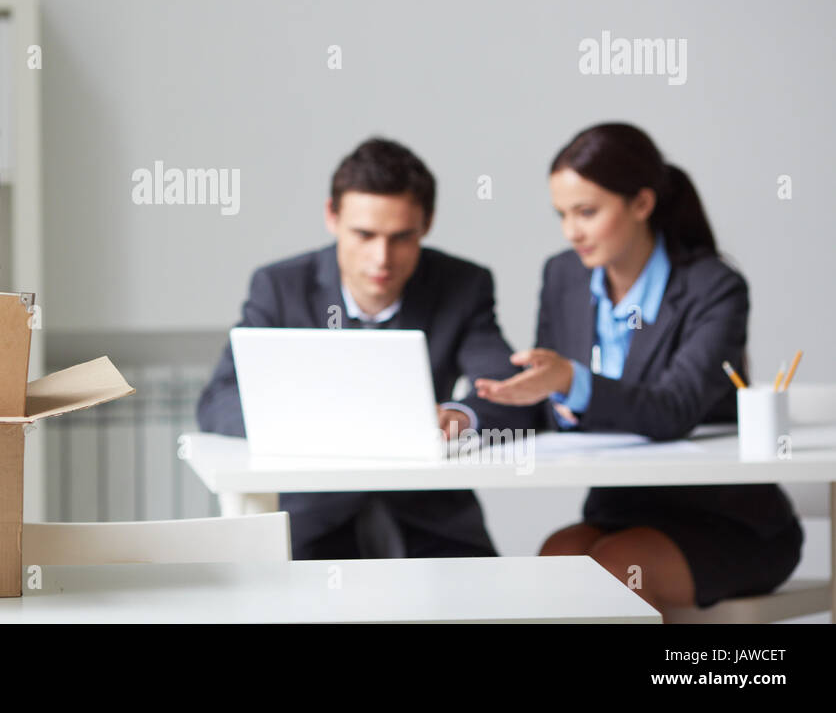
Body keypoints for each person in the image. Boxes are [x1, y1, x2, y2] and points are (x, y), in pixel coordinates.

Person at [474, 123, 802, 612]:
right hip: (621, 512)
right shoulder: (563, 275)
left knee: (614, 570)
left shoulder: (714, 288)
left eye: (587, 212)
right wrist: (487, 408)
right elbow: (549, 403)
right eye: (562, 214)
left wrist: (571, 381)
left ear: (641, 204)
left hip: (726, 521)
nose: (572, 231)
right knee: (555, 558)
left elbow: (675, 408)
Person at [197, 137, 538, 559]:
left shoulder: (462, 285)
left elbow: (514, 391)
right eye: (364, 234)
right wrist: (319, 421)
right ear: (331, 216)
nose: (382, 258)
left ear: (426, 225)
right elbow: (219, 400)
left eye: (401, 237)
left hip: (433, 519)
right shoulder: (281, 287)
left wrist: (460, 417)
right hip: (312, 519)